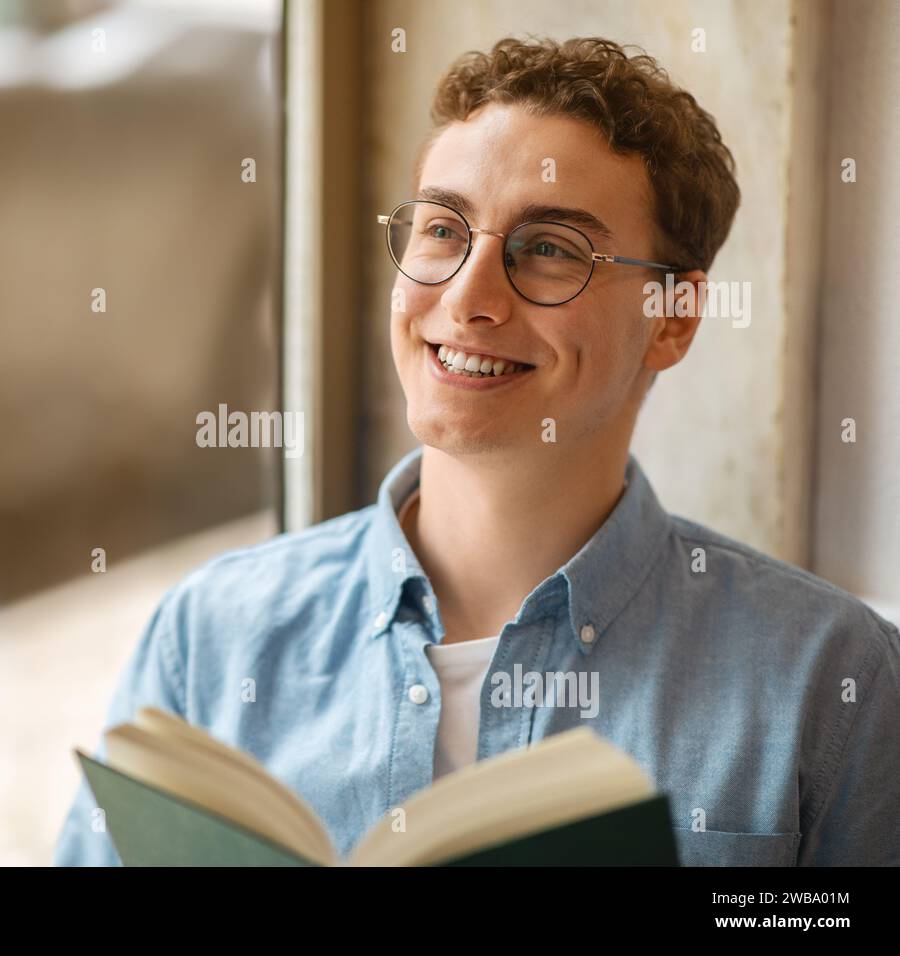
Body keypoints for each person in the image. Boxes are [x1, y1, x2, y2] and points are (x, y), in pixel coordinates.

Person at [52, 36, 900, 866]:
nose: (467, 299)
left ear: (672, 317)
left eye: (551, 250)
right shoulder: (213, 638)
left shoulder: (828, 677)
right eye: (442, 230)